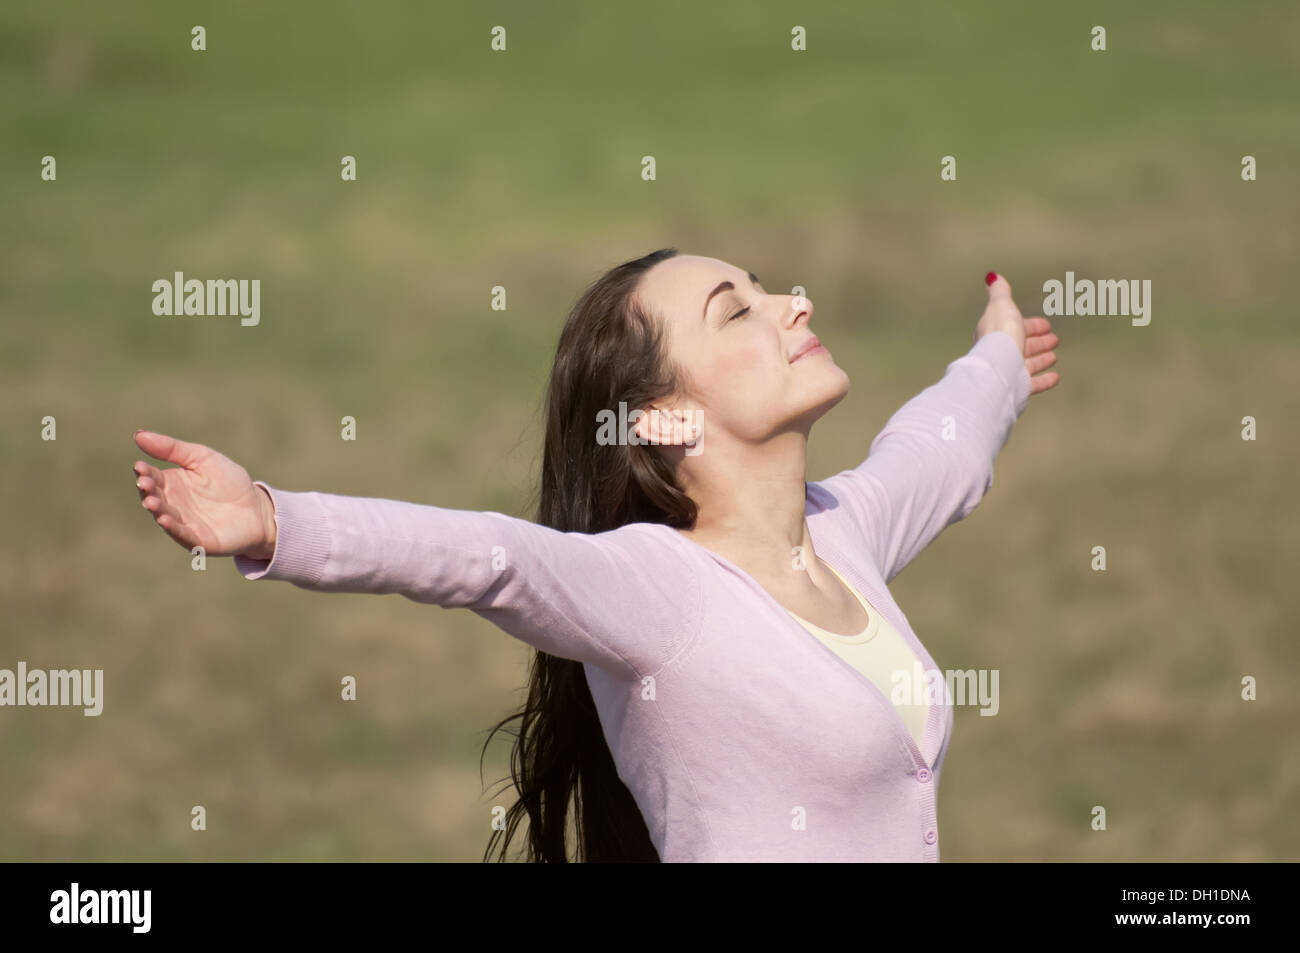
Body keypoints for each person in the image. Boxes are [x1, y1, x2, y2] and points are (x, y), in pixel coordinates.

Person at [131, 249, 1059, 862]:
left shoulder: (842, 536)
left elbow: (942, 450)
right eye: (737, 311)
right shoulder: (660, 589)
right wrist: (271, 517)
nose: (793, 303)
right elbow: (489, 556)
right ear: (662, 416)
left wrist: (999, 357)